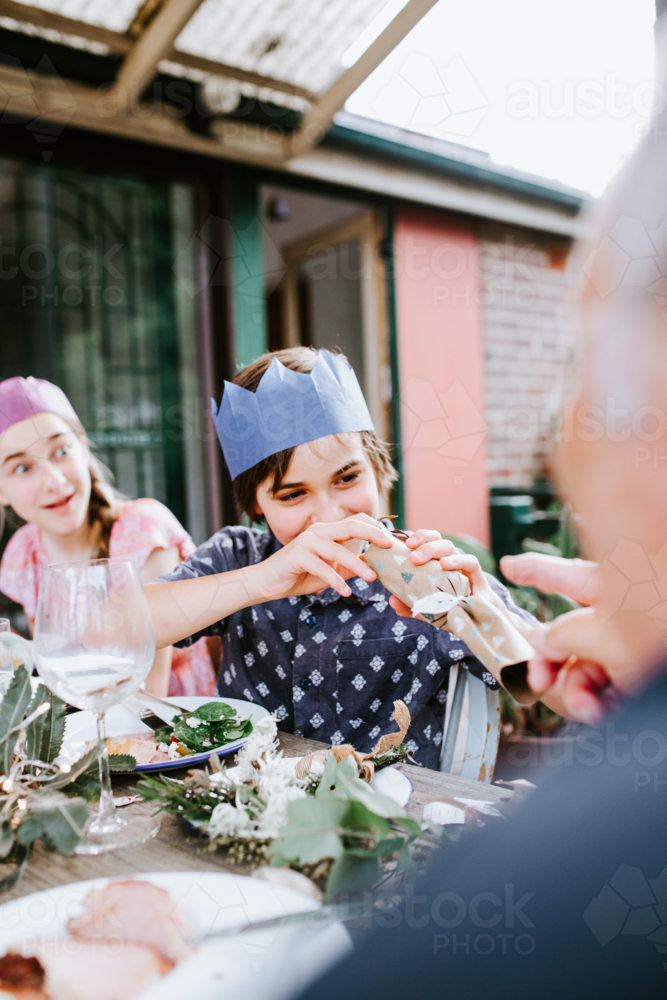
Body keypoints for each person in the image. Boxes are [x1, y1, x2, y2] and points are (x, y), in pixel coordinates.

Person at [288, 39, 667, 1000]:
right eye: (291, 494)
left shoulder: (441, 561)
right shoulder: (245, 563)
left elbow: (524, 694)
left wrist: (478, 617)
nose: (560, 443)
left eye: (578, 370)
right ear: (256, 509)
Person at [147, 347, 537, 766]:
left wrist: (488, 609)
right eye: (293, 494)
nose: (329, 517)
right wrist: (258, 581)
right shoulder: (238, 556)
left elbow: (556, 682)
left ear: (377, 466)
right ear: (257, 504)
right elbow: (112, 631)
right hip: (250, 814)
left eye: (347, 478)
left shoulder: (432, 570)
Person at [0, 376, 216, 698]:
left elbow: (150, 689)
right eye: (22, 468)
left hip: (177, 729)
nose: (54, 481)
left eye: (61, 450)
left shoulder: (144, 530)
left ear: (83, 449)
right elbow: (55, 670)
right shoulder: (25, 551)